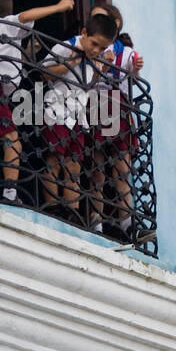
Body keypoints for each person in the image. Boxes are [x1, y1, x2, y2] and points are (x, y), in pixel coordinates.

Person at [0, 0, 74, 203]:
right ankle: (10, 194)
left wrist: (27, 52)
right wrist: (59, 7)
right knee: (13, 138)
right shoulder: (0, 25)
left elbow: (8, 63)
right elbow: (25, 17)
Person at [37, 13, 118, 223]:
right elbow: (44, 72)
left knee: (74, 165)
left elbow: (90, 84)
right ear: (84, 33)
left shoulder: (95, 58)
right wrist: (73, 60)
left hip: (78, 117)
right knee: (54, 160)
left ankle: (71, 211)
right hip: (56, 110)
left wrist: (102, 68)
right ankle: (53, 206)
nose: (96, 50)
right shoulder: (65, 46)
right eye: (94, 44)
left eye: (102, 48)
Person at [86, 4, 143, 239]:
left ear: (116, 25)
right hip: (97, 106)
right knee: (97, 169)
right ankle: (96, 221)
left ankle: (127, 222)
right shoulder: (89, 50)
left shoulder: (126, 53)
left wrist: (136, 69)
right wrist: (100, 64)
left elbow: (133, 78)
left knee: (121, 168)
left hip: (118, 109)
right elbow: (87, 80)